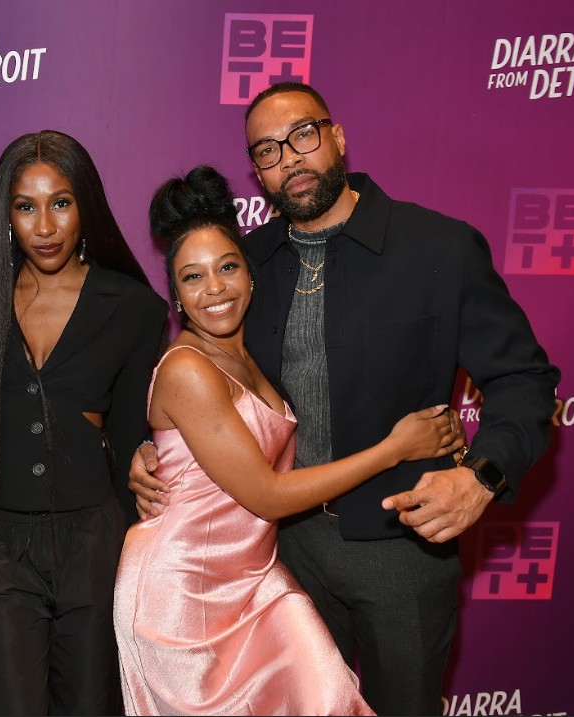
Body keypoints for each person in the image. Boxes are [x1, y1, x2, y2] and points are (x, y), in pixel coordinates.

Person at [129, 83, 560, 715]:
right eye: (268, 151)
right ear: (256, 172)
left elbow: (524, 379)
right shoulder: (246, 265)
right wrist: (158, 451)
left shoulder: (438, 248)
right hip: (280, 559)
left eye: (303, 135)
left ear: (337, 137)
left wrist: (480, 477)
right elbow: (202, 377)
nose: (291, 158)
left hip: (402, 547)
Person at [114, 165, 464, 716]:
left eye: (227, 267)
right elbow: (268, 495)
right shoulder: (188, 368)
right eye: (192, 277)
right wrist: (395, 448)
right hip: (185, 593)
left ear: (250, 275)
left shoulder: (250, 351)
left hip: (251, 578)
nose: (214, 289)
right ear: (175, 295)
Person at [0, 130, 168, 715]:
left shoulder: (133, 307)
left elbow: (132, 436)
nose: (44, 226)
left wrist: (142, 460)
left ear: (85, 205)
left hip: (94, 540)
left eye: (60, 203)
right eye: (25, 206)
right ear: (5, 214)